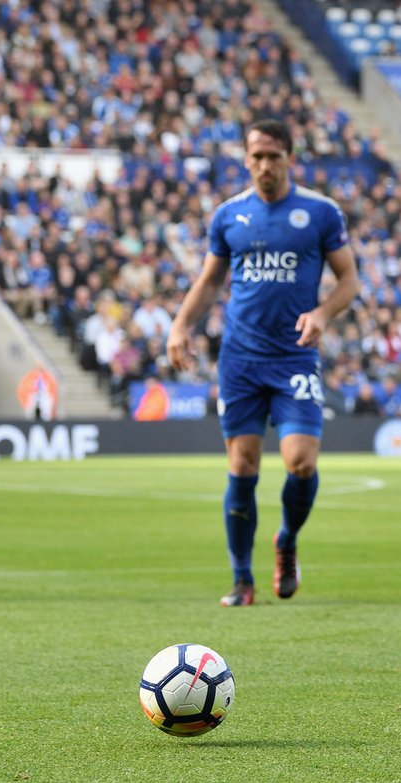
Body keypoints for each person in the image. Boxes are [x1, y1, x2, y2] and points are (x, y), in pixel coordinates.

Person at [166, 119, 359, 607]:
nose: (265, 165)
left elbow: (349, 280)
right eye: (257, 156)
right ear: (246, 159)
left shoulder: (320, 212)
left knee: (301, 462)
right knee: (242, 465)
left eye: (273, 156)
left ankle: (287, 540)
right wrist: (180, 326)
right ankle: (241, 580)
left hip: (295, 356)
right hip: (241, 360)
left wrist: (322, 314)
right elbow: (210, 282)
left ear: (289, 158)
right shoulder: (229, 215)